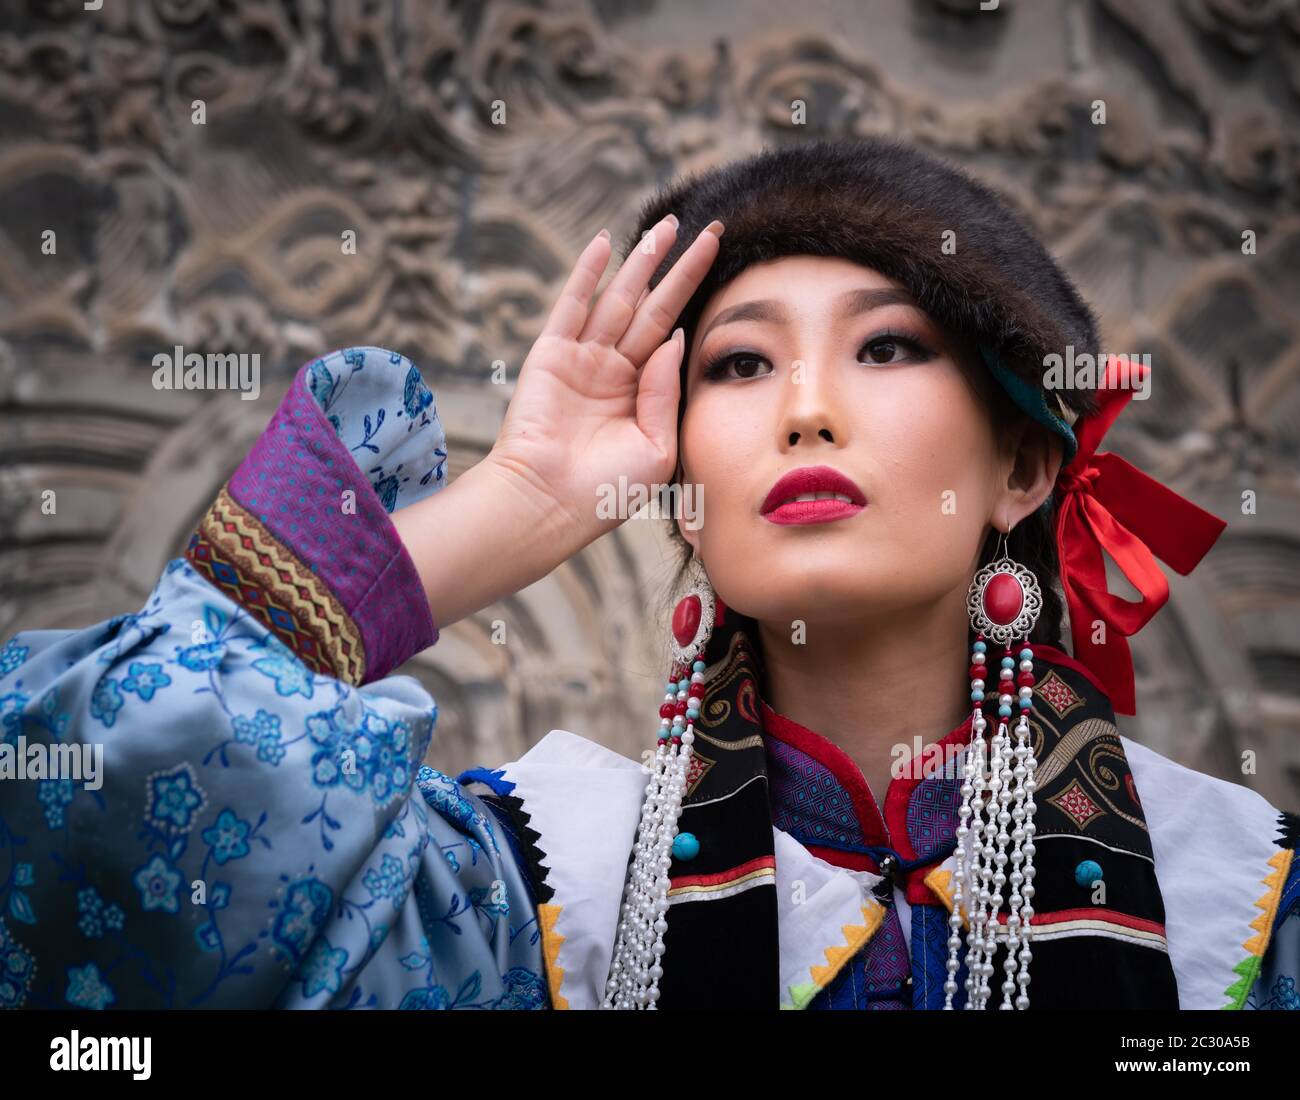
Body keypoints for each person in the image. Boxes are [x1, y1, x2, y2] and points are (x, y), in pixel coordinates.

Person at [0, 138, 1295, 1011]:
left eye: (887, 349)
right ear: (679, 475)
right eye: (738, 364)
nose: (804, 411)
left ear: (1022, 468)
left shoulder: (1243, 905)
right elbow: (98, 802)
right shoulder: (519, 898)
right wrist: (518, 502)